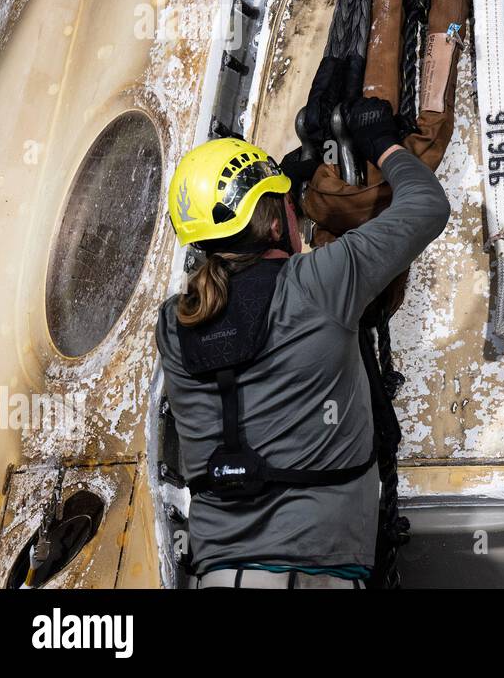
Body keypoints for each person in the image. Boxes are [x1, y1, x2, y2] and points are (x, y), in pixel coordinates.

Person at [155, 98, 450, 589]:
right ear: (276, 223)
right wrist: (384, 144)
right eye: (288, 206)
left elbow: (244, 311)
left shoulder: (173, 322)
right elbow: (426, 206)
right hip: (314, 572)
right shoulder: (318, 285)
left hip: (219, 575)